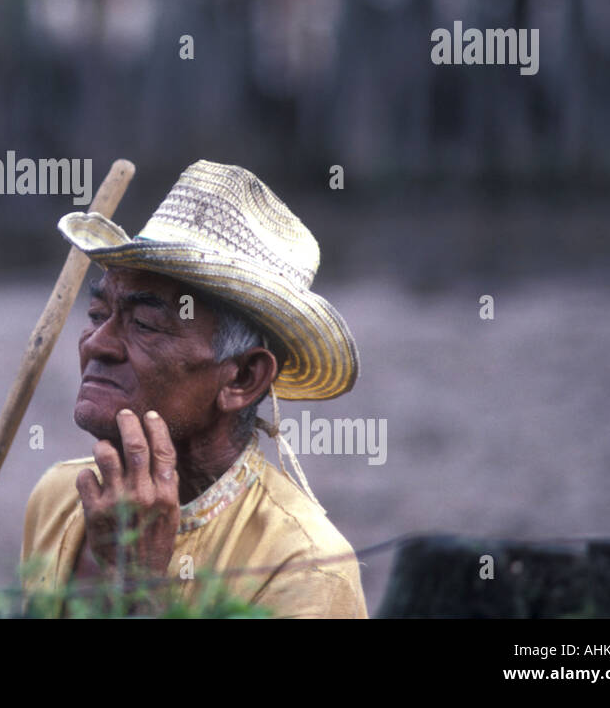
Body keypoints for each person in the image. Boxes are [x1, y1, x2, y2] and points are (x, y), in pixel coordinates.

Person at [20, 159, 367, 617]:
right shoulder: (60, 496)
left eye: (144, 323)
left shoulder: (304, 569)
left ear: (243, 379)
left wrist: (139, 587)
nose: (97, 344)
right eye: (99, 314)